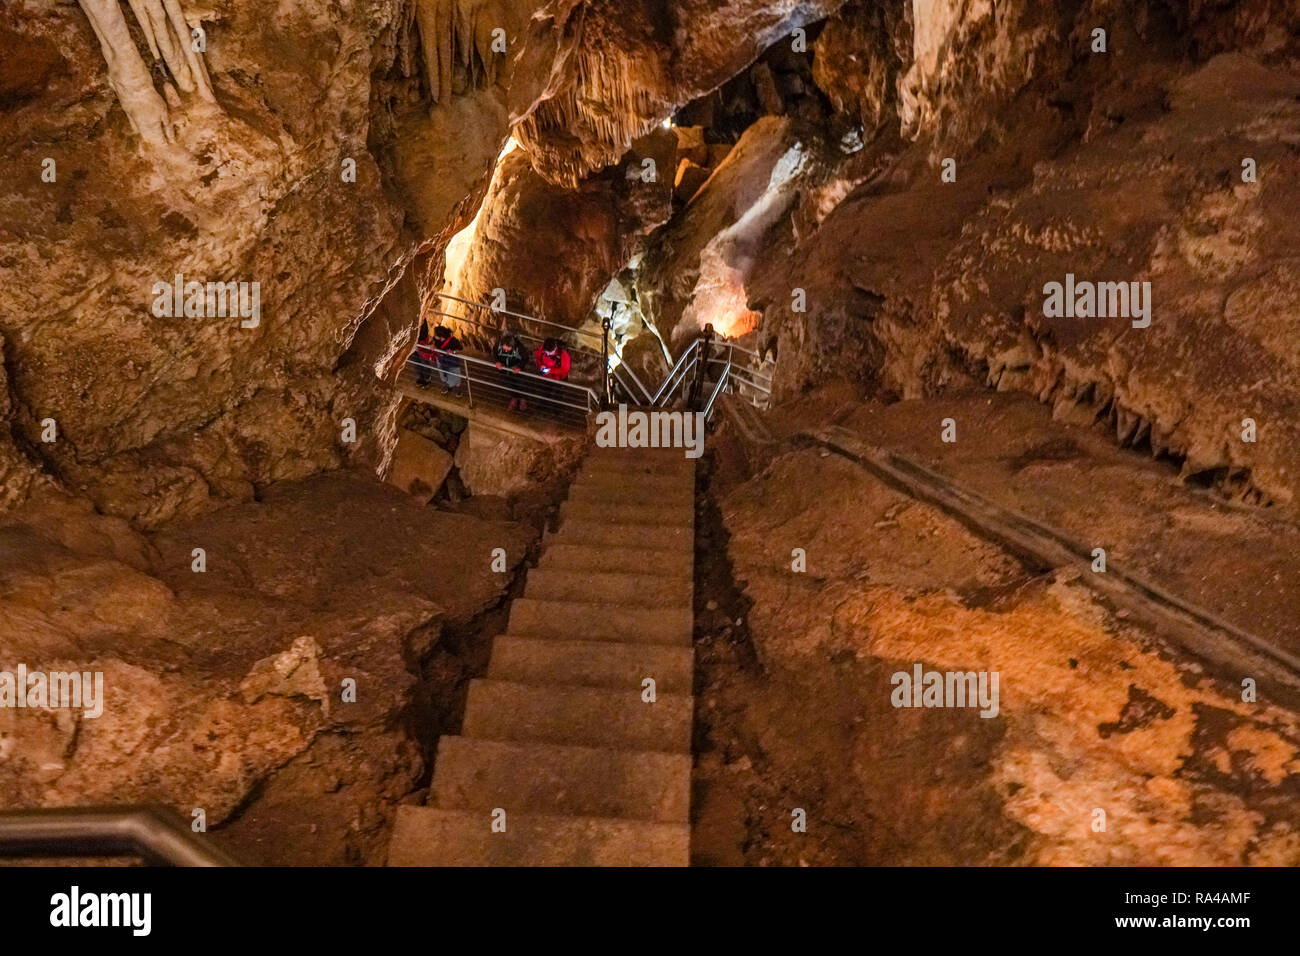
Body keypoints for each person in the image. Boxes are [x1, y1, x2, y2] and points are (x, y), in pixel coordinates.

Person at [493, 332, 529, 410]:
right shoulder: (498, 345)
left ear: (512, 346)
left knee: (520, 384)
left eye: (508, 349)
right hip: (504, 370)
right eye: (504, 348)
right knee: (509, 384)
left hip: (516, 370)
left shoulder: (519, 348)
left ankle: (523, 399)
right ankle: (514, 398)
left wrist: (519, 367)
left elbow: (525, 358)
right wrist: (497, 361)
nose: (505, 351)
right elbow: (495, 353)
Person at [431, 324, 464, 393]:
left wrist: (453, 351)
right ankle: (449, 386)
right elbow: (434, 340)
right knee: (444, 375)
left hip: (451, 362)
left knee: (455, 376)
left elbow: (460, 349)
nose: (434, 336)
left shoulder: (453, 341)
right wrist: (433, 345)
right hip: (442, 361)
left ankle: (459, 390)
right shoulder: (437, 339)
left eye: (436, 334)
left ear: (441, 336)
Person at [410, 320, 437, 387]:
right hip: (412, 343)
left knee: (424, 361)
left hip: (421, 343)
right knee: (416, 362)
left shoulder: (422, 319)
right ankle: (421, 377)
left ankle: (427, 378)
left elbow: (424, 332)